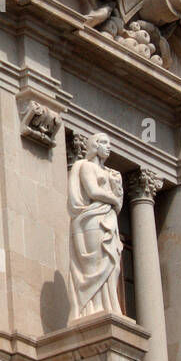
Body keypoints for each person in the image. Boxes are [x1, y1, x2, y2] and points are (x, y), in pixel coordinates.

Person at [67, 133, 124, 321]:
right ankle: (89, 308)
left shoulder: (111, 173)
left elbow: (118, 203)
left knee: (112, 264)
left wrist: (117, 188)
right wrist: (113, 198)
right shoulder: (86, 166)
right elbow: (92, 191)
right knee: (95, 264)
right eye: (105, 143)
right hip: (92, 219)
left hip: (109, 219)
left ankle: (109, 304)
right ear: (95, 145)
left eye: (110, 144)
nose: (109, 147)